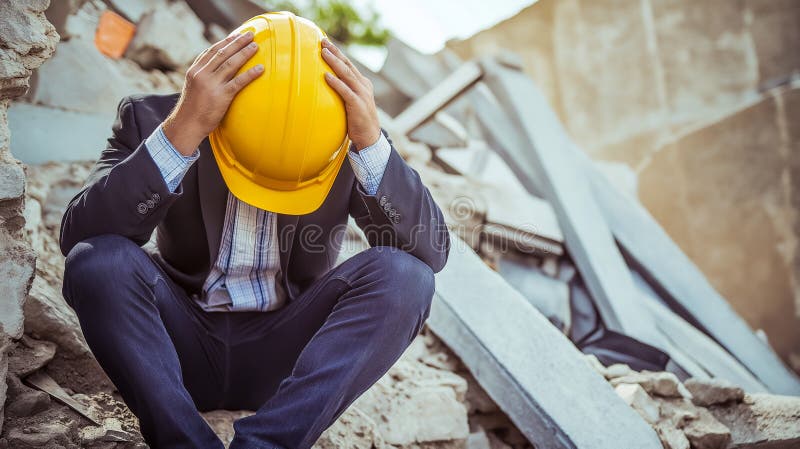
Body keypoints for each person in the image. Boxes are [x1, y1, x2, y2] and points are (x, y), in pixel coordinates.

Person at [59, 24, 450, 449]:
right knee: (101, 261)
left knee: (407, 277)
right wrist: (182, 134)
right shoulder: (154, 119)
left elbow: (429, 251)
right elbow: (81, 239)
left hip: (287, 357)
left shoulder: (340, 138)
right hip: (175, 344)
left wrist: (371, 144)